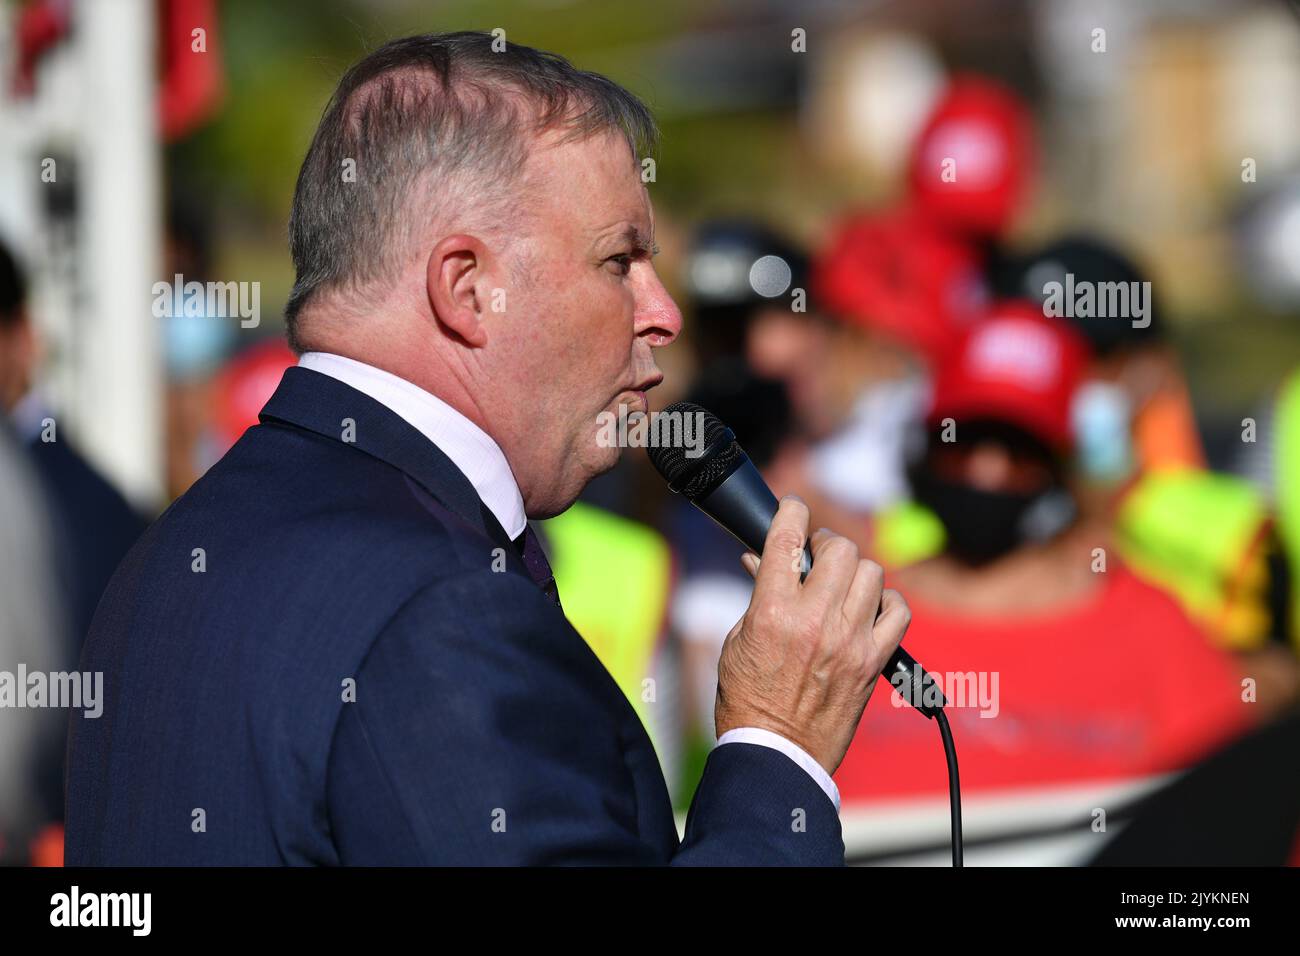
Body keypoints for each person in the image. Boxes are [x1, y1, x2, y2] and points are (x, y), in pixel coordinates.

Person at [65, 31, 911, 866]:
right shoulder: (444, 613)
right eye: (621, 261)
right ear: (469, 289)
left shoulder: (175, 548)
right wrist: (776, 753)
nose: (664, 312)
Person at [834, 303, 1253, 815]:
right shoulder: (846, 618)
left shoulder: (1157, 631)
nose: (987, 472)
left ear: (1061, 467)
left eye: (1019, 451)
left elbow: (1240, 821)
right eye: (963, 444)